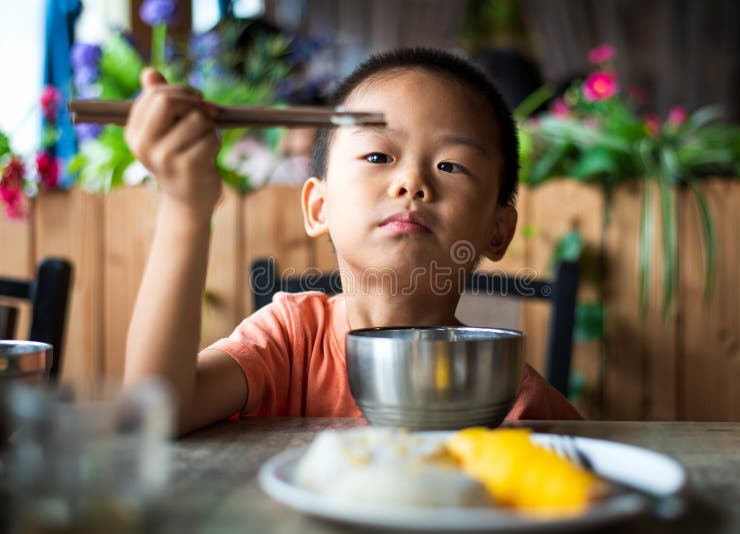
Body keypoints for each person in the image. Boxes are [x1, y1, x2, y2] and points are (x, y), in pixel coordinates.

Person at [123, 48, 582, 435]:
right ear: (318, 207)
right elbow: (156, 413)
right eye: (379, 155)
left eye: (451, 166)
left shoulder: (511, 399)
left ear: (497, 230)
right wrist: (187, 205)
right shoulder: (291, 340)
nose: (411, 182)